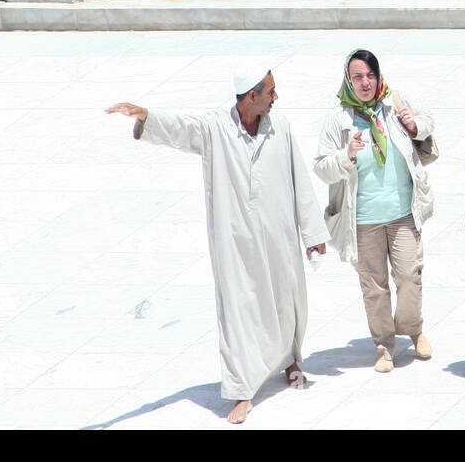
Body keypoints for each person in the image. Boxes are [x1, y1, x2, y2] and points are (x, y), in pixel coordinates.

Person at [105, 65, 329, 425]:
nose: (276, 97)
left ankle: (291, 360)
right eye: (270, 91)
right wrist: (147, 115)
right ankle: (242, 390)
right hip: (235, 243)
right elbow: (180, 127)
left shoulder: (280, 127)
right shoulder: (215, 128)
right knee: (238, 312)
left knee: (287, 299)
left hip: (280, 236)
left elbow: (298, 177)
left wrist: (312, 234)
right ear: (251, 96)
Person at [314, 50, 436, 373]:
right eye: (357, 77)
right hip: (363, 220)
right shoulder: (339, 120)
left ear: (378, 76)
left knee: (410, 276)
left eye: (370, 75)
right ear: (348, 81)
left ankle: (413, 329)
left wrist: (414, 125)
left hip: (402, 213)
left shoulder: (394, 102)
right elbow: (322, 168)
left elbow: (428, 121)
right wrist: (347, 154)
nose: (365, 83)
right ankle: (385, 345)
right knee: (375, 286)